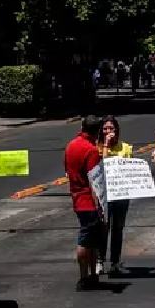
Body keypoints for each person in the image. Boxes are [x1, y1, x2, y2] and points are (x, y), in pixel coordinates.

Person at [64, 116, 106, 291]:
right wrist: (100, 207)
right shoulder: (91, 151)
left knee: (92, 240)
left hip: (77, 198)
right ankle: (84, 277)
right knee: (85, 240)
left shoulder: (70, 146)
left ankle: (92, 275)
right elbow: (93, 182)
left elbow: (67, 170)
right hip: (88, 202)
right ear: (97, 132)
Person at [96, 117, 133, 278]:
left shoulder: (124, 147)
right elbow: (102, 168)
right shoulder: (96, 148)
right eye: (105, 128)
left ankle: (115, 262)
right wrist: (105, 146)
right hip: (104, 195)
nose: (108, 131)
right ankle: (100, 260)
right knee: (103, 228)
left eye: (111, 128)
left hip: (121, 194)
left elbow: (129, 169)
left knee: (118, 229)